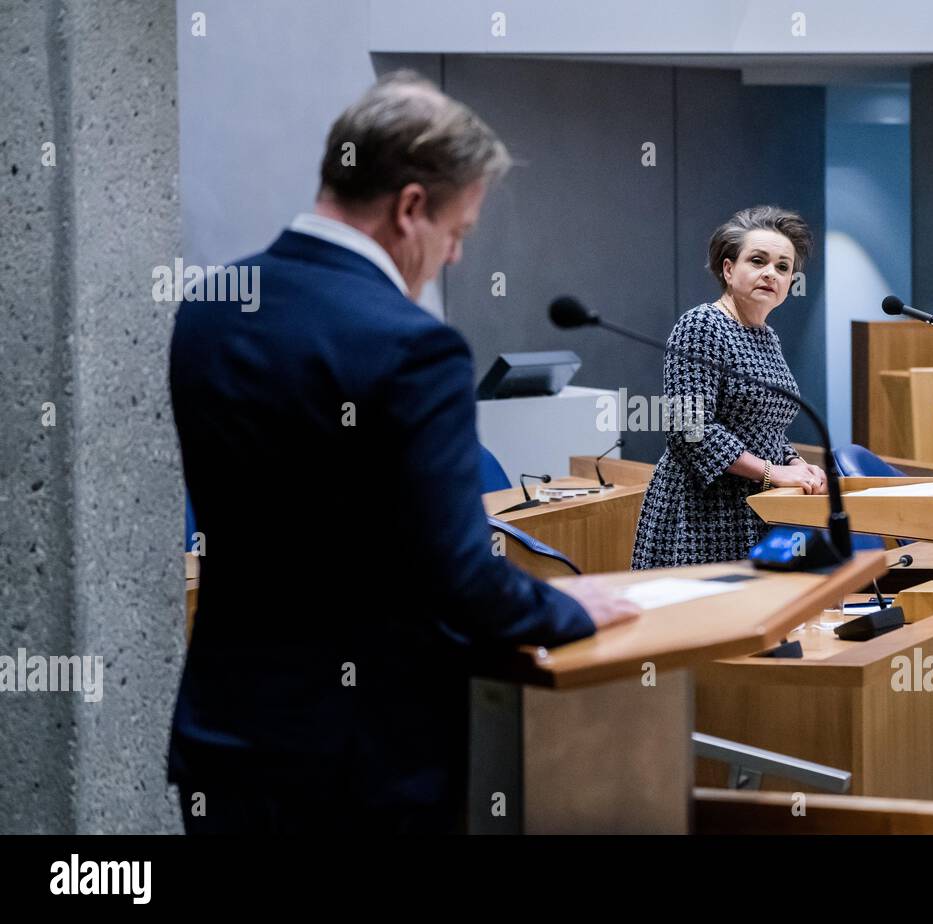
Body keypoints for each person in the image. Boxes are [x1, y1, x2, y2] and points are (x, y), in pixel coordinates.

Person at [167, 71, 638, 834]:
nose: (453, 257)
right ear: (411, 207)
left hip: (226, 737)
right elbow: (456, 578)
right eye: (459, 233)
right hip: (363, 764)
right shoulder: (412, 347)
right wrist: (565, 606)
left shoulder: (209, 308)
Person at [632, 206, 828, 569]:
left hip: (758, 506)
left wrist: (794, 461)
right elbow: (688, 431)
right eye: (758, 260)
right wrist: (772, 472)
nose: (771, 273)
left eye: (783, 267)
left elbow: (761, 426)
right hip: (703, 513)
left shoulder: (768, 337)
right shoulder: (701, 325)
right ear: (728, 269)